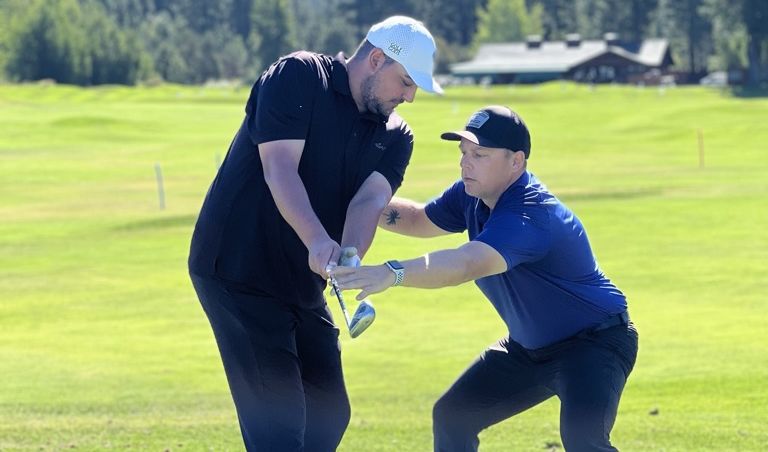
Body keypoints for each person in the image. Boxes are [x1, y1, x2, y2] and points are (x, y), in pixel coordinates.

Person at [187, 16, 442, 451]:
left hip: (301, 282)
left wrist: (348, 257)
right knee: (280, 427)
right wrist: (318, 241)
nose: (410, 96)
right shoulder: (300, 76)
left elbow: (368, 201)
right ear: (376, 59)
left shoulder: (396, 135)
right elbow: (279, 168)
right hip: (238, 270)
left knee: (330, 412)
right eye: (405, 82)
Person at [331, 106, 639, 451]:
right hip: (528, 350)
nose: (466, 163)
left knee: (584, 441)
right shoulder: (472, 195)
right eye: (464, 152)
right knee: (453, 416)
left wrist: (392, 272)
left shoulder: (529, 214)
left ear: (516, 161)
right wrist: (355, 199)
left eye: (480, 155)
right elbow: (418, 219)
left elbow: (466, 264)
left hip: (595, 343)